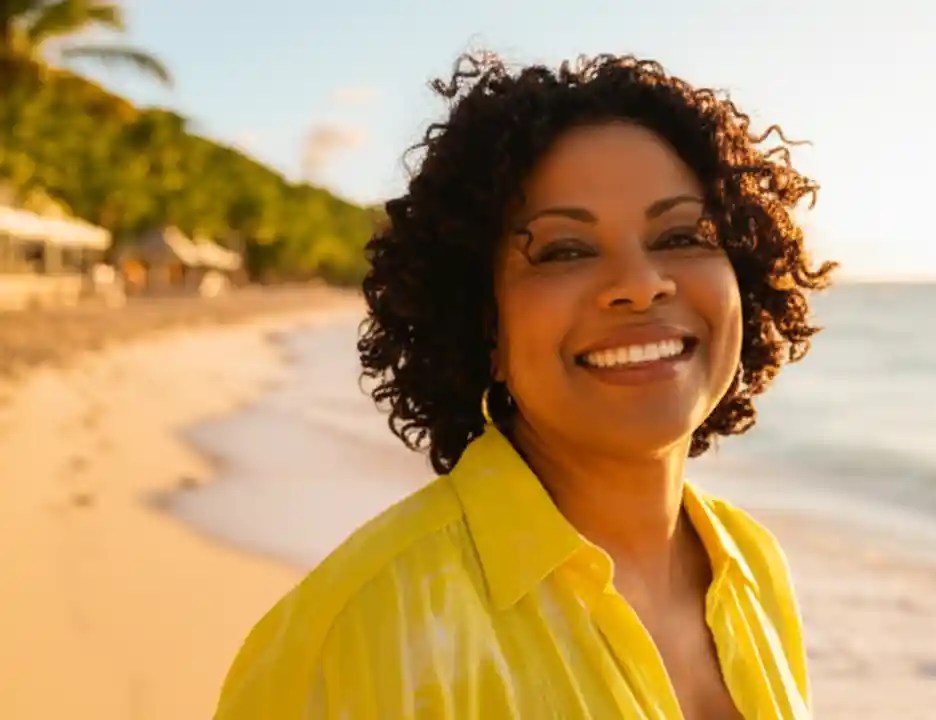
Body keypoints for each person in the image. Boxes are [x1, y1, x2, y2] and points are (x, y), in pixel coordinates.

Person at [214, 51, 835, 719]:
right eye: (565, 250)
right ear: (482, 321)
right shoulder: (360, 630)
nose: (640, 282)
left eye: (682, 235)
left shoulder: (753, 568)